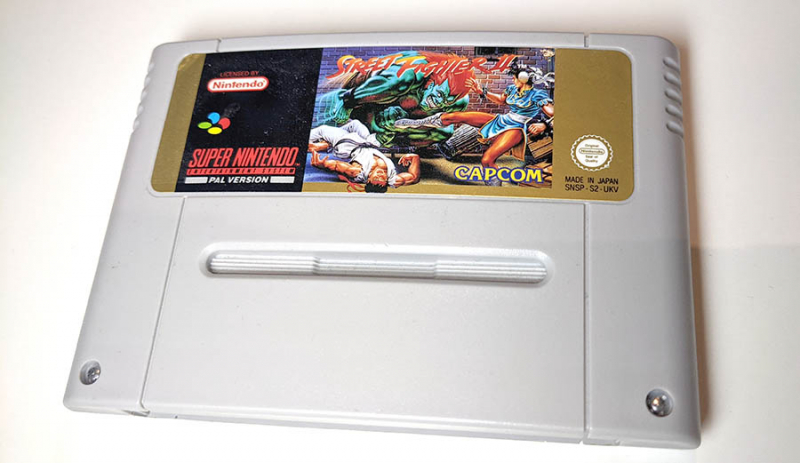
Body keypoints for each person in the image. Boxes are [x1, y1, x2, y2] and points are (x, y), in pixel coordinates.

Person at [394, 63, 554, 185]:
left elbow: (555, 114)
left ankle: (494, 187)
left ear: (524, 79)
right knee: (454, 116)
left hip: (516, 128)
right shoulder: (512, 89)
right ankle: (417, 123)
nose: (513, 80)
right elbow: (501, 100)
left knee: (487, 160)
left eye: (515, 77)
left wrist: (544, 125)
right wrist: (482, 92)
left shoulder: (537, 95)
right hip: (502, 120)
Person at [308, 120, 421, 192]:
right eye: (382, 179)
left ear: (368, 179)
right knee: (355, 124)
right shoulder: (392, 179)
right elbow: (413, 177)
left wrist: (322, 165)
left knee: (322, 130)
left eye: (376, 178)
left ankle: (322, 144)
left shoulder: (357, 172)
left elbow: (337, 166)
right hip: (367, 142)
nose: (380, 175)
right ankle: (326, 144)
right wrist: (415, 157)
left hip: (349, 145)